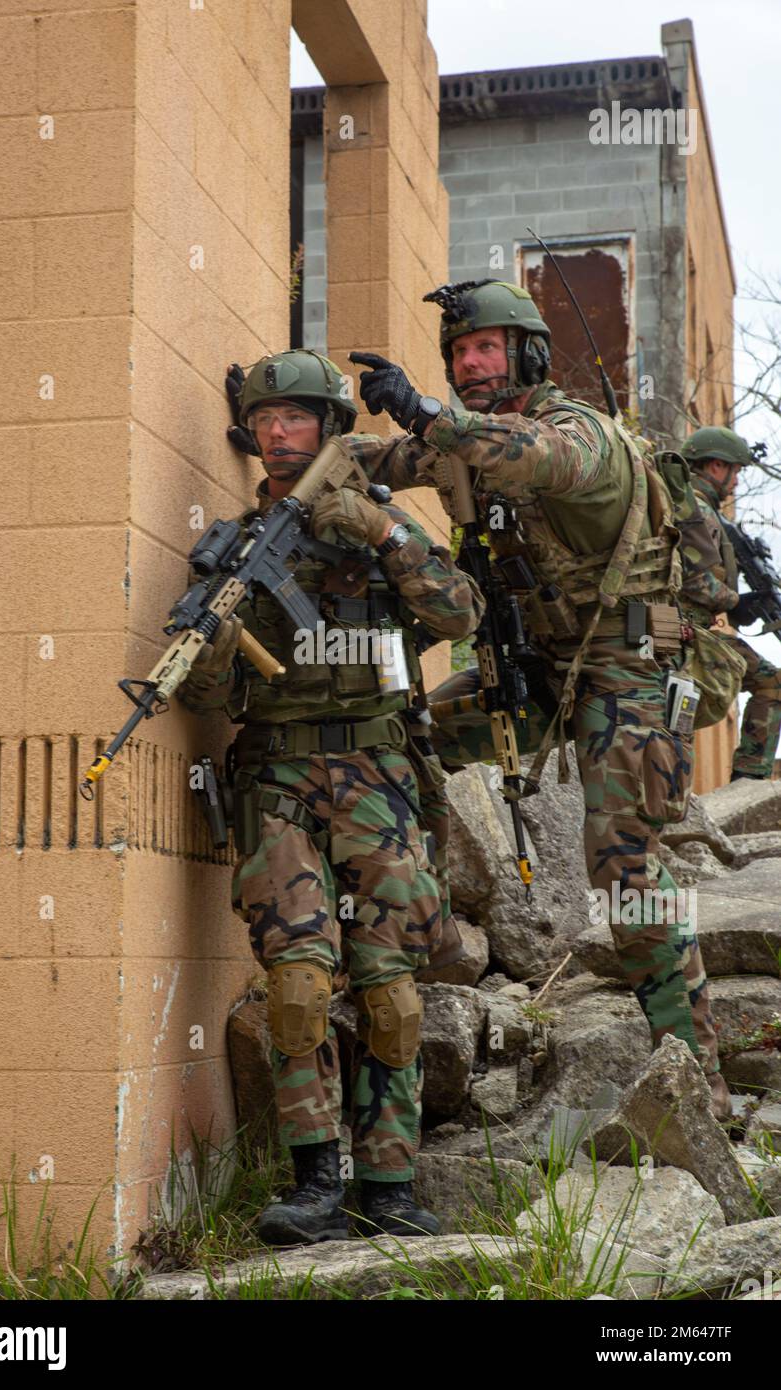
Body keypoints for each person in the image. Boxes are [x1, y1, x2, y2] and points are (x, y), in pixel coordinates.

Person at [340, 278, 735, 1122]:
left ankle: (699, 1073)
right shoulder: (467, 440)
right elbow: (384, 464)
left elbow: (531, 458)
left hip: (626, 669)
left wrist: (423, 411)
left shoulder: (578, 433)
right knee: (404, 740)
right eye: (457, 355)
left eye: (484, 349)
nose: (469, 364)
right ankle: (433, 932)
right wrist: (294, 442)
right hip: (538, 670)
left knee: (622, 859)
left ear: (526, 354)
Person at [179, 349, 484, 1244]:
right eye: (264, 421)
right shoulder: (236, 548)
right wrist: (213, 643)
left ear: (328, 427)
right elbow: (203, 702)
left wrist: (386, 535)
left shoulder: (377, 525)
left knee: (392, 993)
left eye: (295, 419)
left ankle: (390, 1183)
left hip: (380, 778)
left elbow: (460, 615)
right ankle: (315, 1182)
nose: (277, 434)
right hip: (276, 776)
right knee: (300, 984)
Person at [679, 426, 781, 782]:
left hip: (691, 630)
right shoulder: (696, 507)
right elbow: (693, 580)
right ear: (716, 467)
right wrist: (737, 602)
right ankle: (749, 780)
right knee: (772, 683)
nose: (736, 481)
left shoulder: (695, 504)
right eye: (735, 471)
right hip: (682, 632)